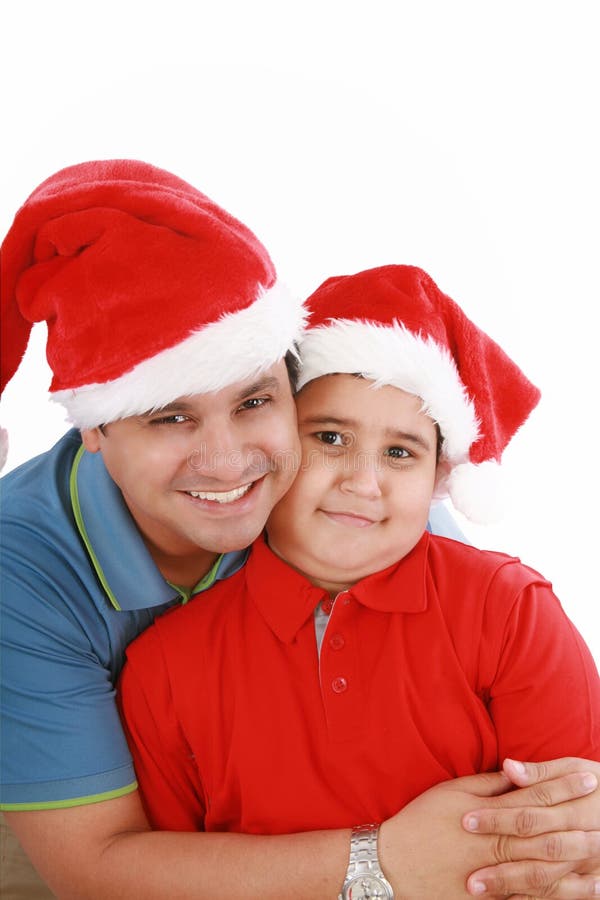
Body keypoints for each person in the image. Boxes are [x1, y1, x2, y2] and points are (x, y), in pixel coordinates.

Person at [0, 161, 597, 900]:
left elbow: (562, 818)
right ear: (95, 427)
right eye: (170, 415)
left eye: (254, 401)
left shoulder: (423, 549)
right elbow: (102, 871)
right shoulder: (37, 585)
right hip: (67, 819)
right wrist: (385, 862)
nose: (227, 462)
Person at [119, 264, 600, 898]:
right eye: (331, 437)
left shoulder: (508, 609)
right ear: (279, 443)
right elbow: (169, 880)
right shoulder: (165, 665)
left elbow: (568, 841)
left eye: (400, 453)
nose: (363, 483)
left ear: (438, 479)